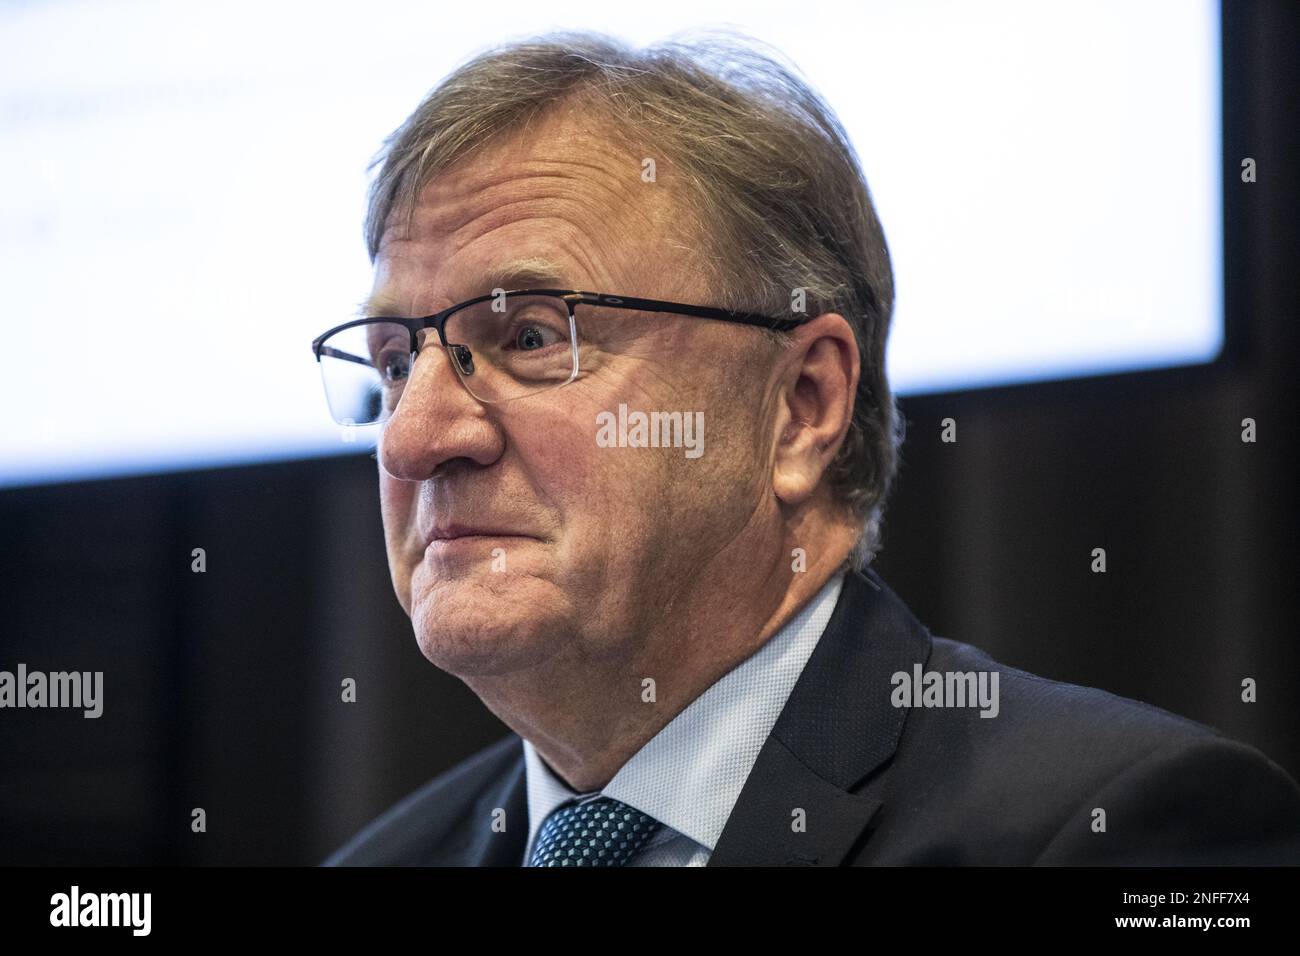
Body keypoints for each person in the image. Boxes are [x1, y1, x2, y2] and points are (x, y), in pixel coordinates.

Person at [316, 31, 1300, 866]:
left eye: (530, 336)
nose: (413, 437)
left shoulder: (1118, 828)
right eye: (397, 362)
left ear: (799, 405)